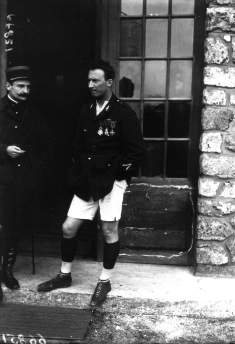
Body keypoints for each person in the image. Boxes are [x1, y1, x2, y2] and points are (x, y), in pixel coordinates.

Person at [37, 60, 145, 307]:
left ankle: (104, 281)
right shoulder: (86, 110)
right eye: (88, 80)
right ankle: (64, 275)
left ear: (109, 82)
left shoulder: (123, 113)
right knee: (68, 228)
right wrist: (78, 170)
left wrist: (119, 175)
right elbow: (77, 146)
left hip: (111, 181)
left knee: (109, 231)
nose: (90, 85)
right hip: (87, 180)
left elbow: (137, 153)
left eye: (95, 80)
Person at [0, 66, 54, 303]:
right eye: (20, 86)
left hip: (21, 180)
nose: (25, 91)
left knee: (14, 224)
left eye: (28, 87)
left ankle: (6, 271)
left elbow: (48, 145)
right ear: (8, 86)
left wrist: (35, 167)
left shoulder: (33, 114)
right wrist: (3, 150)